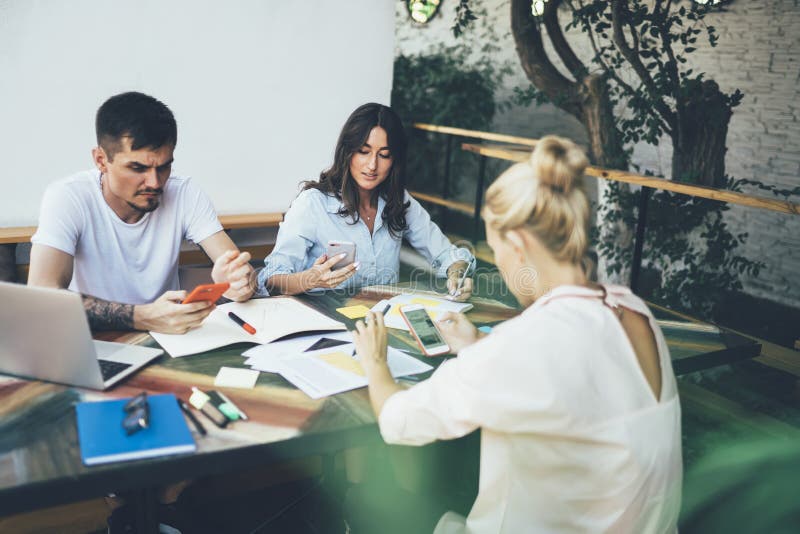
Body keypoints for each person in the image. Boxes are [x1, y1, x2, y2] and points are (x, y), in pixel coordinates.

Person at [350, 136, 683, 533]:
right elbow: (577, 384)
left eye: (495, 251)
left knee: (373, 504)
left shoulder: (523, 345)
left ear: (518, 244)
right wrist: (479, 347)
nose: (502, 266)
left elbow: (397, 421)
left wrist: (375, 362)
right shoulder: (633, 311)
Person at [28, 92, 254, 334]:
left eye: (164, 166)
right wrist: (142, 317)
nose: (155, 183)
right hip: (93, 339)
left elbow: (233, 266)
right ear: (101, 160)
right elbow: (42, 296)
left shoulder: (185, 192)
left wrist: (237, 282)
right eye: (138, 168)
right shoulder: (68, 197)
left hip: (169, 339)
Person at [257, 103, 473, 299]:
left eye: (384, 155)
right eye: (363, 151)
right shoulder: (313, 204)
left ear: (394, 160)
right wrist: (311, 279)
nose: (372, 165)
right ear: (347, 152)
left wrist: (457, 275)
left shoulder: (398, 201)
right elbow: (272, 279)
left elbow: (448, 254)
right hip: (323, 323)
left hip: (381, 321)